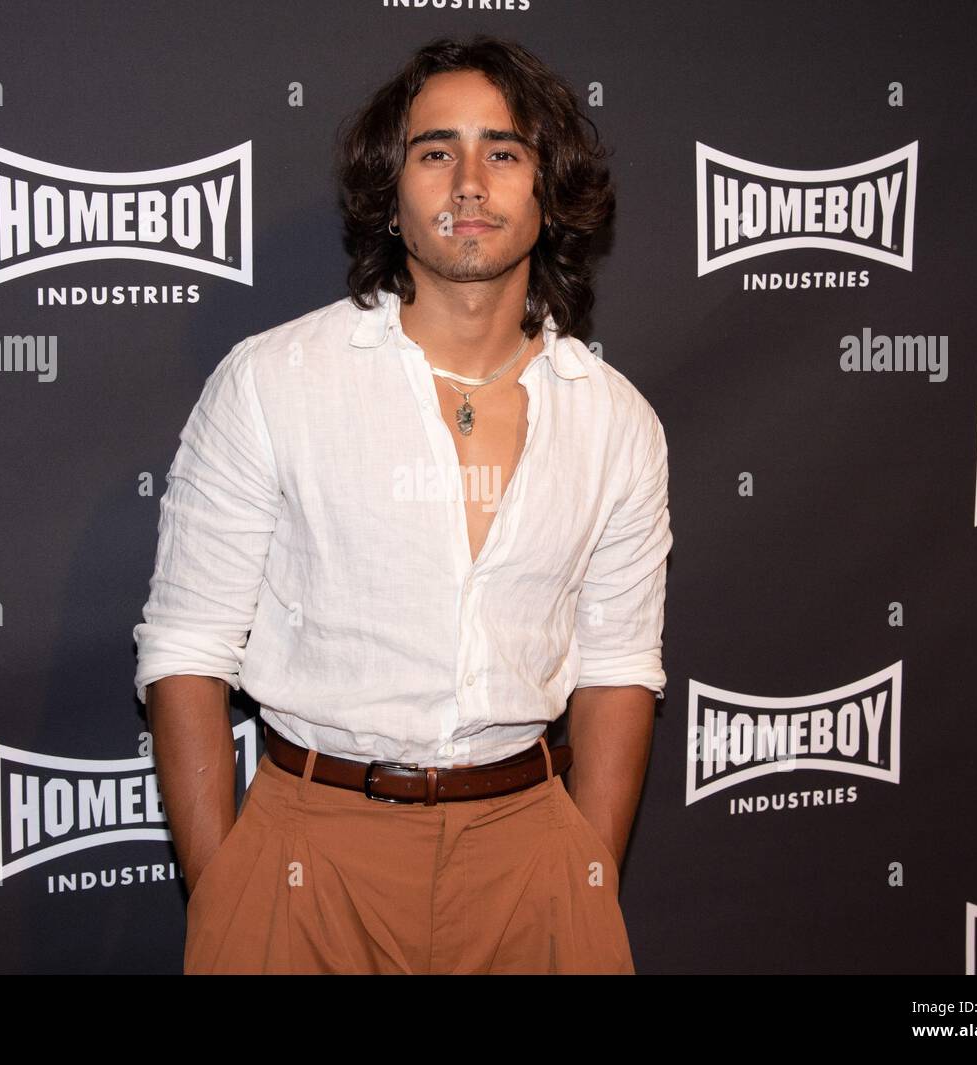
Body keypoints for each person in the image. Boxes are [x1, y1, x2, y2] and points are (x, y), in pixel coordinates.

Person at [133, 34, 673, 974]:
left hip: (531, 857)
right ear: (393, 193)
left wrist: (585, 867)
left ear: (550, 195)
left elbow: (619, 667)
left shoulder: (617, 421)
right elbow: (186, 650)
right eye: (436, 152)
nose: (470, 182)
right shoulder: (273, 382)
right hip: (307, 857)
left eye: (504, 152)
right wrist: (222, 889)